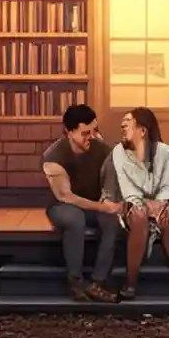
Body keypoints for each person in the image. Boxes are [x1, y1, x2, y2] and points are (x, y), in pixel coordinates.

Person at [41, 104, 122, 303]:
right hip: (63, 206)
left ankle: (98, 282)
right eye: (86, 132)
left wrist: (110, 202)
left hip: (95, 204)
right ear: (69, 132)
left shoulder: (103, 149)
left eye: (95, 130)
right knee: (74, 217)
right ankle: (75, 281)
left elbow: (115, 180)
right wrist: (103, 207)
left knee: (111, 221)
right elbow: (66, 197)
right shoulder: (53, 157)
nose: (92, 136)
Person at [108, 106, 169, 302]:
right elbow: (128, 191)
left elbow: (166, 188)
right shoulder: (118, 152)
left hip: (159, 204)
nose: (122, 125)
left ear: (142, 131)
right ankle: (131, 282)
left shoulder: (166, 152)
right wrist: (145, 206)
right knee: (138, 215)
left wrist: (160, 205)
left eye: (128, 122)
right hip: (131, 205)